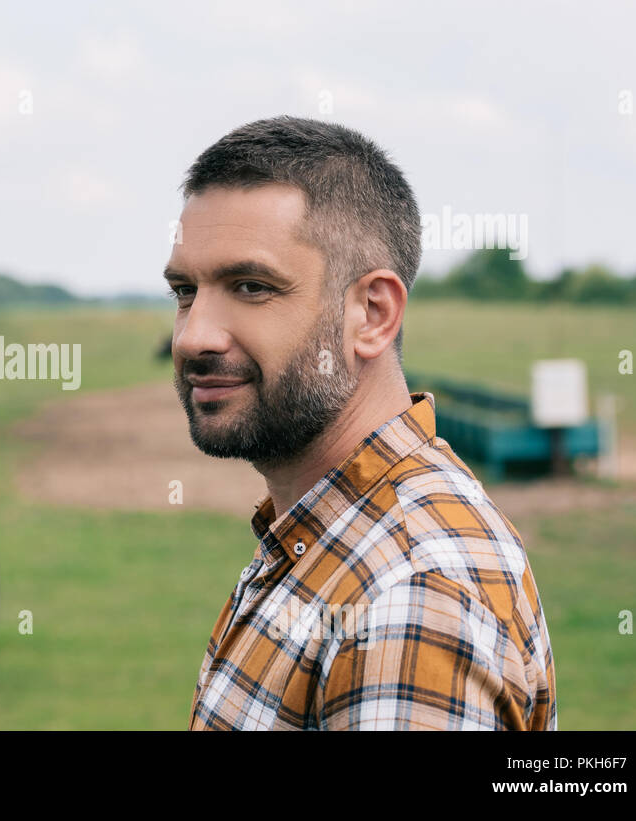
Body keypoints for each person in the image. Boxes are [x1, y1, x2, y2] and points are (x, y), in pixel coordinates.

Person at [169, 116, 555, 730]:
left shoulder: (410, 598)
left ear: (373, 314)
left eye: (250, 286)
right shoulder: (321, 529)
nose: (192, 337)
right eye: (185, 291)